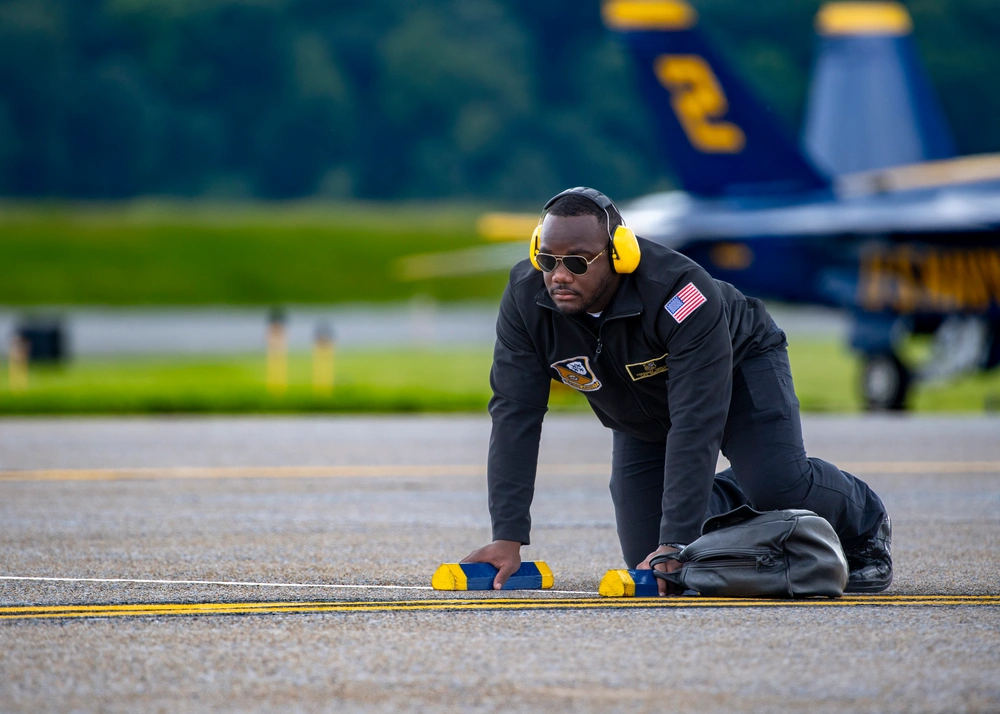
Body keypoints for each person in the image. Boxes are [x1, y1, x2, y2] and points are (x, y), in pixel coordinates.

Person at [462, 187, 892, 596]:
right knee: (648, 553)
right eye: (547, 259)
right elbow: (515, 415)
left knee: (775, 484)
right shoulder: (525, 298)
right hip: (638, 408)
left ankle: (865, 519)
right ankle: (733, 489)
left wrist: (676, 540)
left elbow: (695, 421)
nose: (558, 275)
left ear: (619, 255)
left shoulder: (680, 293)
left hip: (739, 364)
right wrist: (508, 536)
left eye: (576, 262)